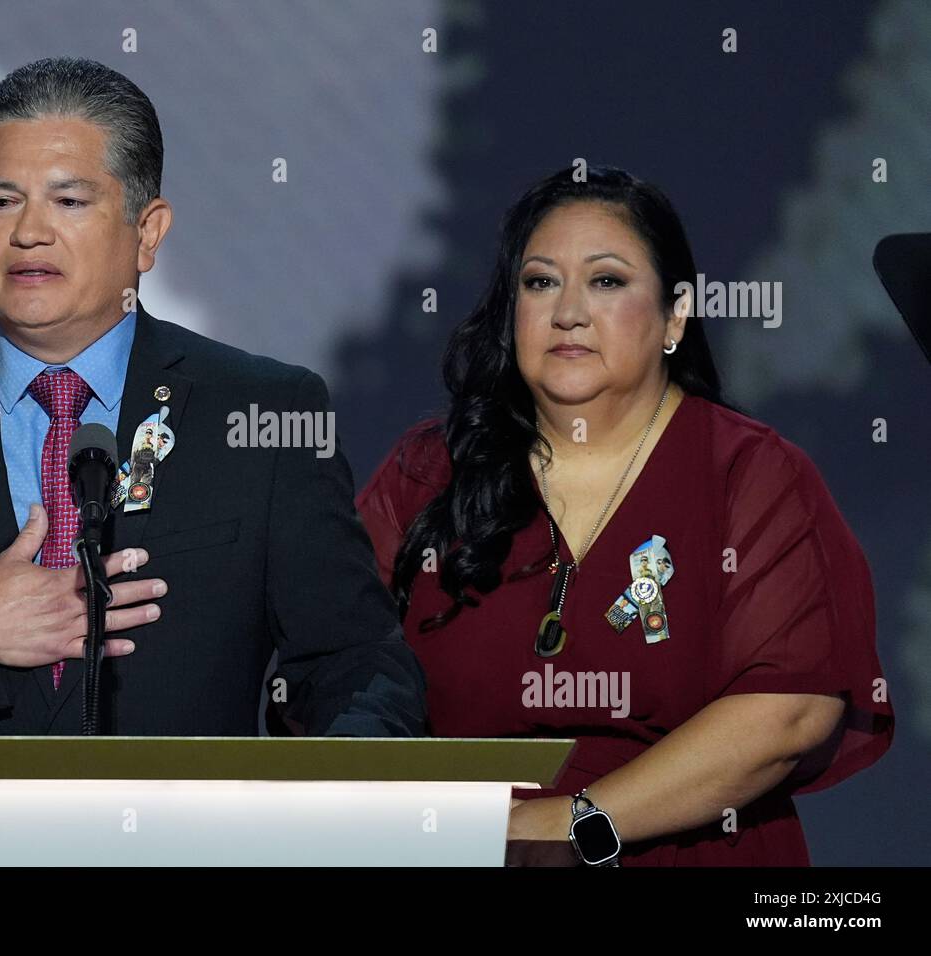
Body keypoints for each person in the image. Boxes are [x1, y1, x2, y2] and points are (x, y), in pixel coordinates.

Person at [0, 57, 425, 737]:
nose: (27, 231)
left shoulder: (264, 411)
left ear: (146, 233)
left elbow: (354, 663)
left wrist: (353, 786)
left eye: (68, 199)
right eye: (1, 201)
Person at [357, 166, 894, 864]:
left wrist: (568, 825)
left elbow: (789, 711)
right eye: (540, 282)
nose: (568, 311)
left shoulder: (751, 473)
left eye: (607, 281)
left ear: (674, 315)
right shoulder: (426, 472)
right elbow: (333, 668)